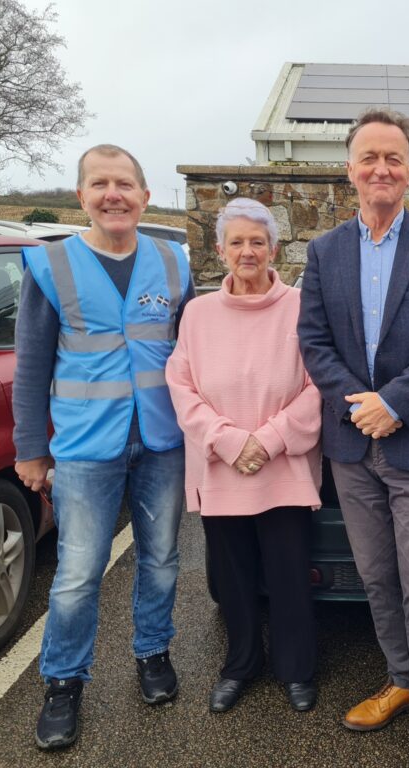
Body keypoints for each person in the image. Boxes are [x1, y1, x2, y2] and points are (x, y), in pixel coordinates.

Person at [297, 109, 409, 768]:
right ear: (350, 169)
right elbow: (313, 338)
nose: (380, 169)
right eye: (368, 157)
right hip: (353, 445)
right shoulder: (323, 252)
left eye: (393, 158)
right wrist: (360, 407)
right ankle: (401, 680)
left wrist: (396, 402)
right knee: (376, 576)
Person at [13, 144, 194, 750]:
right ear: (81, 196)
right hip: (86, 449)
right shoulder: (52, 265)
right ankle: (63, 683)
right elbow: (32, 367)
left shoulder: (174, 263)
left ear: (144, 196)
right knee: (77, 573)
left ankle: (153, 653)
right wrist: (31, 449)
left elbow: (195, 353)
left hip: (164, 442)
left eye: (124, 184)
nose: (112, 194)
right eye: (99, 184)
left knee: (162, 558)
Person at [165, 198, 322, 714]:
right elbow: (181, 384)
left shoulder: (301, 308)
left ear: (274, 249)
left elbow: (318, 384)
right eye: (237, 242)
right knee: (232, 579)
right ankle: (240, 664)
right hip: (221, 468)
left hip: (283, 468)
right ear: (219, 251)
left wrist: (270, 440)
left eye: (258, 241)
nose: (247, 251)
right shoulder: (198, 313)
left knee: (289, 576)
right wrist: (231, 442)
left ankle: (296, 669)